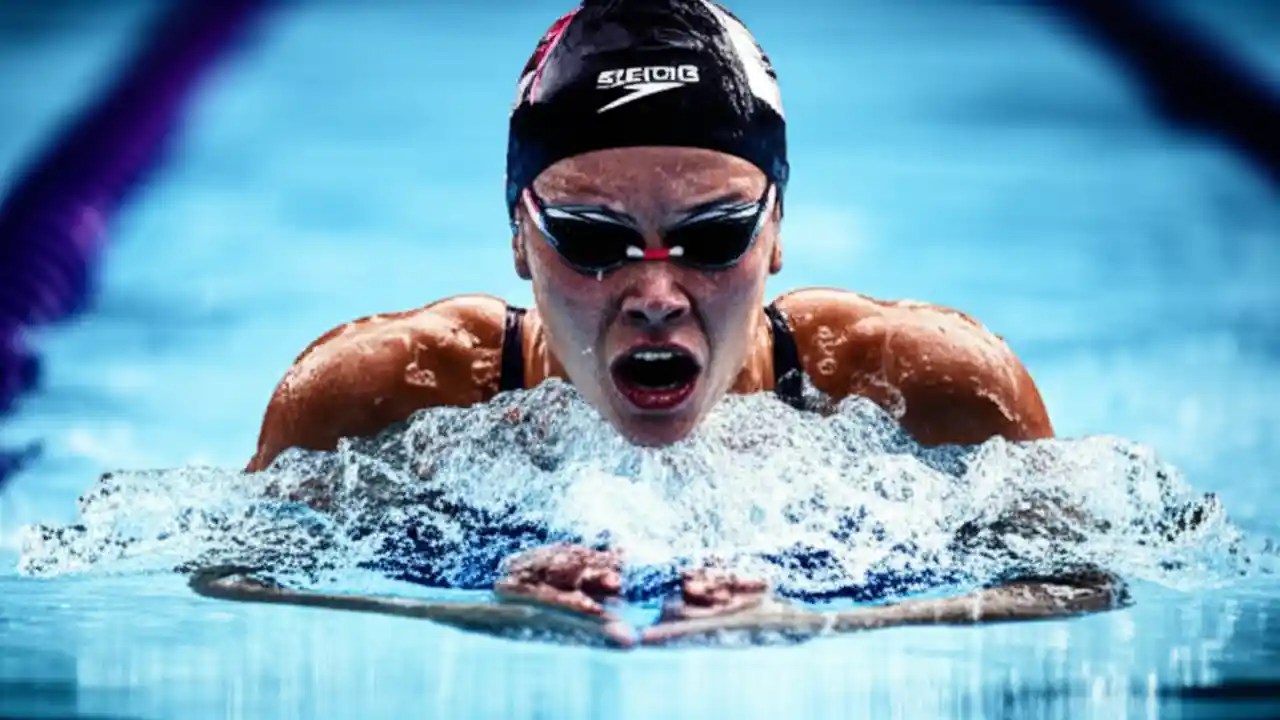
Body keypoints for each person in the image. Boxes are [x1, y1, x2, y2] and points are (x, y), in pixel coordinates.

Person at [216, 0, 1120, 645]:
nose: (655, 293)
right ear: (519, 239)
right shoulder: (372, 398)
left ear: (776, 233)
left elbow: (1083, 587)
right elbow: (229, 580)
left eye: (713, 236)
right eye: (591, 237)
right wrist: (471, 610)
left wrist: (814, 622)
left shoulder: (931, 387)